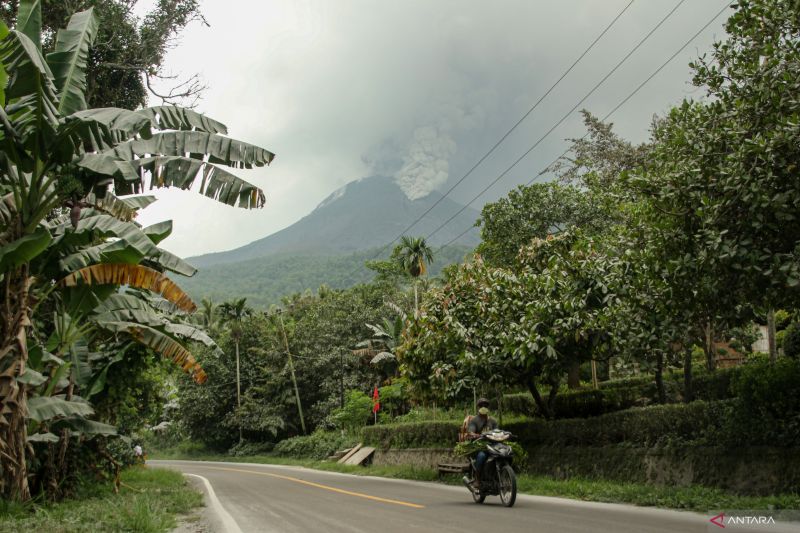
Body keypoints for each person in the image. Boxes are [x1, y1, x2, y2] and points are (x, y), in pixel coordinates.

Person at [466, 398, 497, 491]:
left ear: (488, 408)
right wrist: (475, 435)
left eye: (486, 406)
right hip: (479, 446)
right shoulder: (474, 421)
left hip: (492, 446)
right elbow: (470, 432)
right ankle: (477, 479)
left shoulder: (493, 421)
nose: (483, 407)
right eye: (481, 405)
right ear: (478, 407)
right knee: (482, 456)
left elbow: (497, 431)